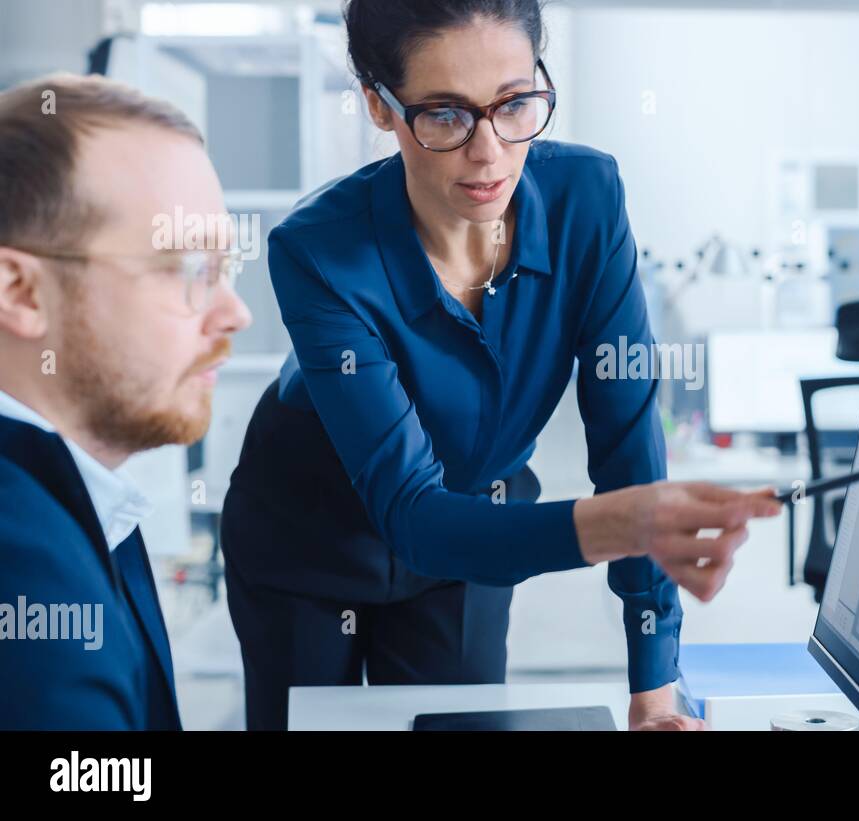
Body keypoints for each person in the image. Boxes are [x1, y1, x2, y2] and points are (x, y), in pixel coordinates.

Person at [220, 0, 781, 731]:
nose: (489, 152)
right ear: (378, 105)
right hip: (309, 540)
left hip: (478, 531)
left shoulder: (588, 199)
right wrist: (612, 524)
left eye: (515, 104)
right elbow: (412, 513)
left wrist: (654, 687)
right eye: (446, 115)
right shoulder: (317, 249)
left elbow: (627, 441)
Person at [0, 74, 252, 729]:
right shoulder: (25, 575)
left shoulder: (72, 502)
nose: (235, 313)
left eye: (223, 271)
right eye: (188, 269)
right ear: (22, 293)